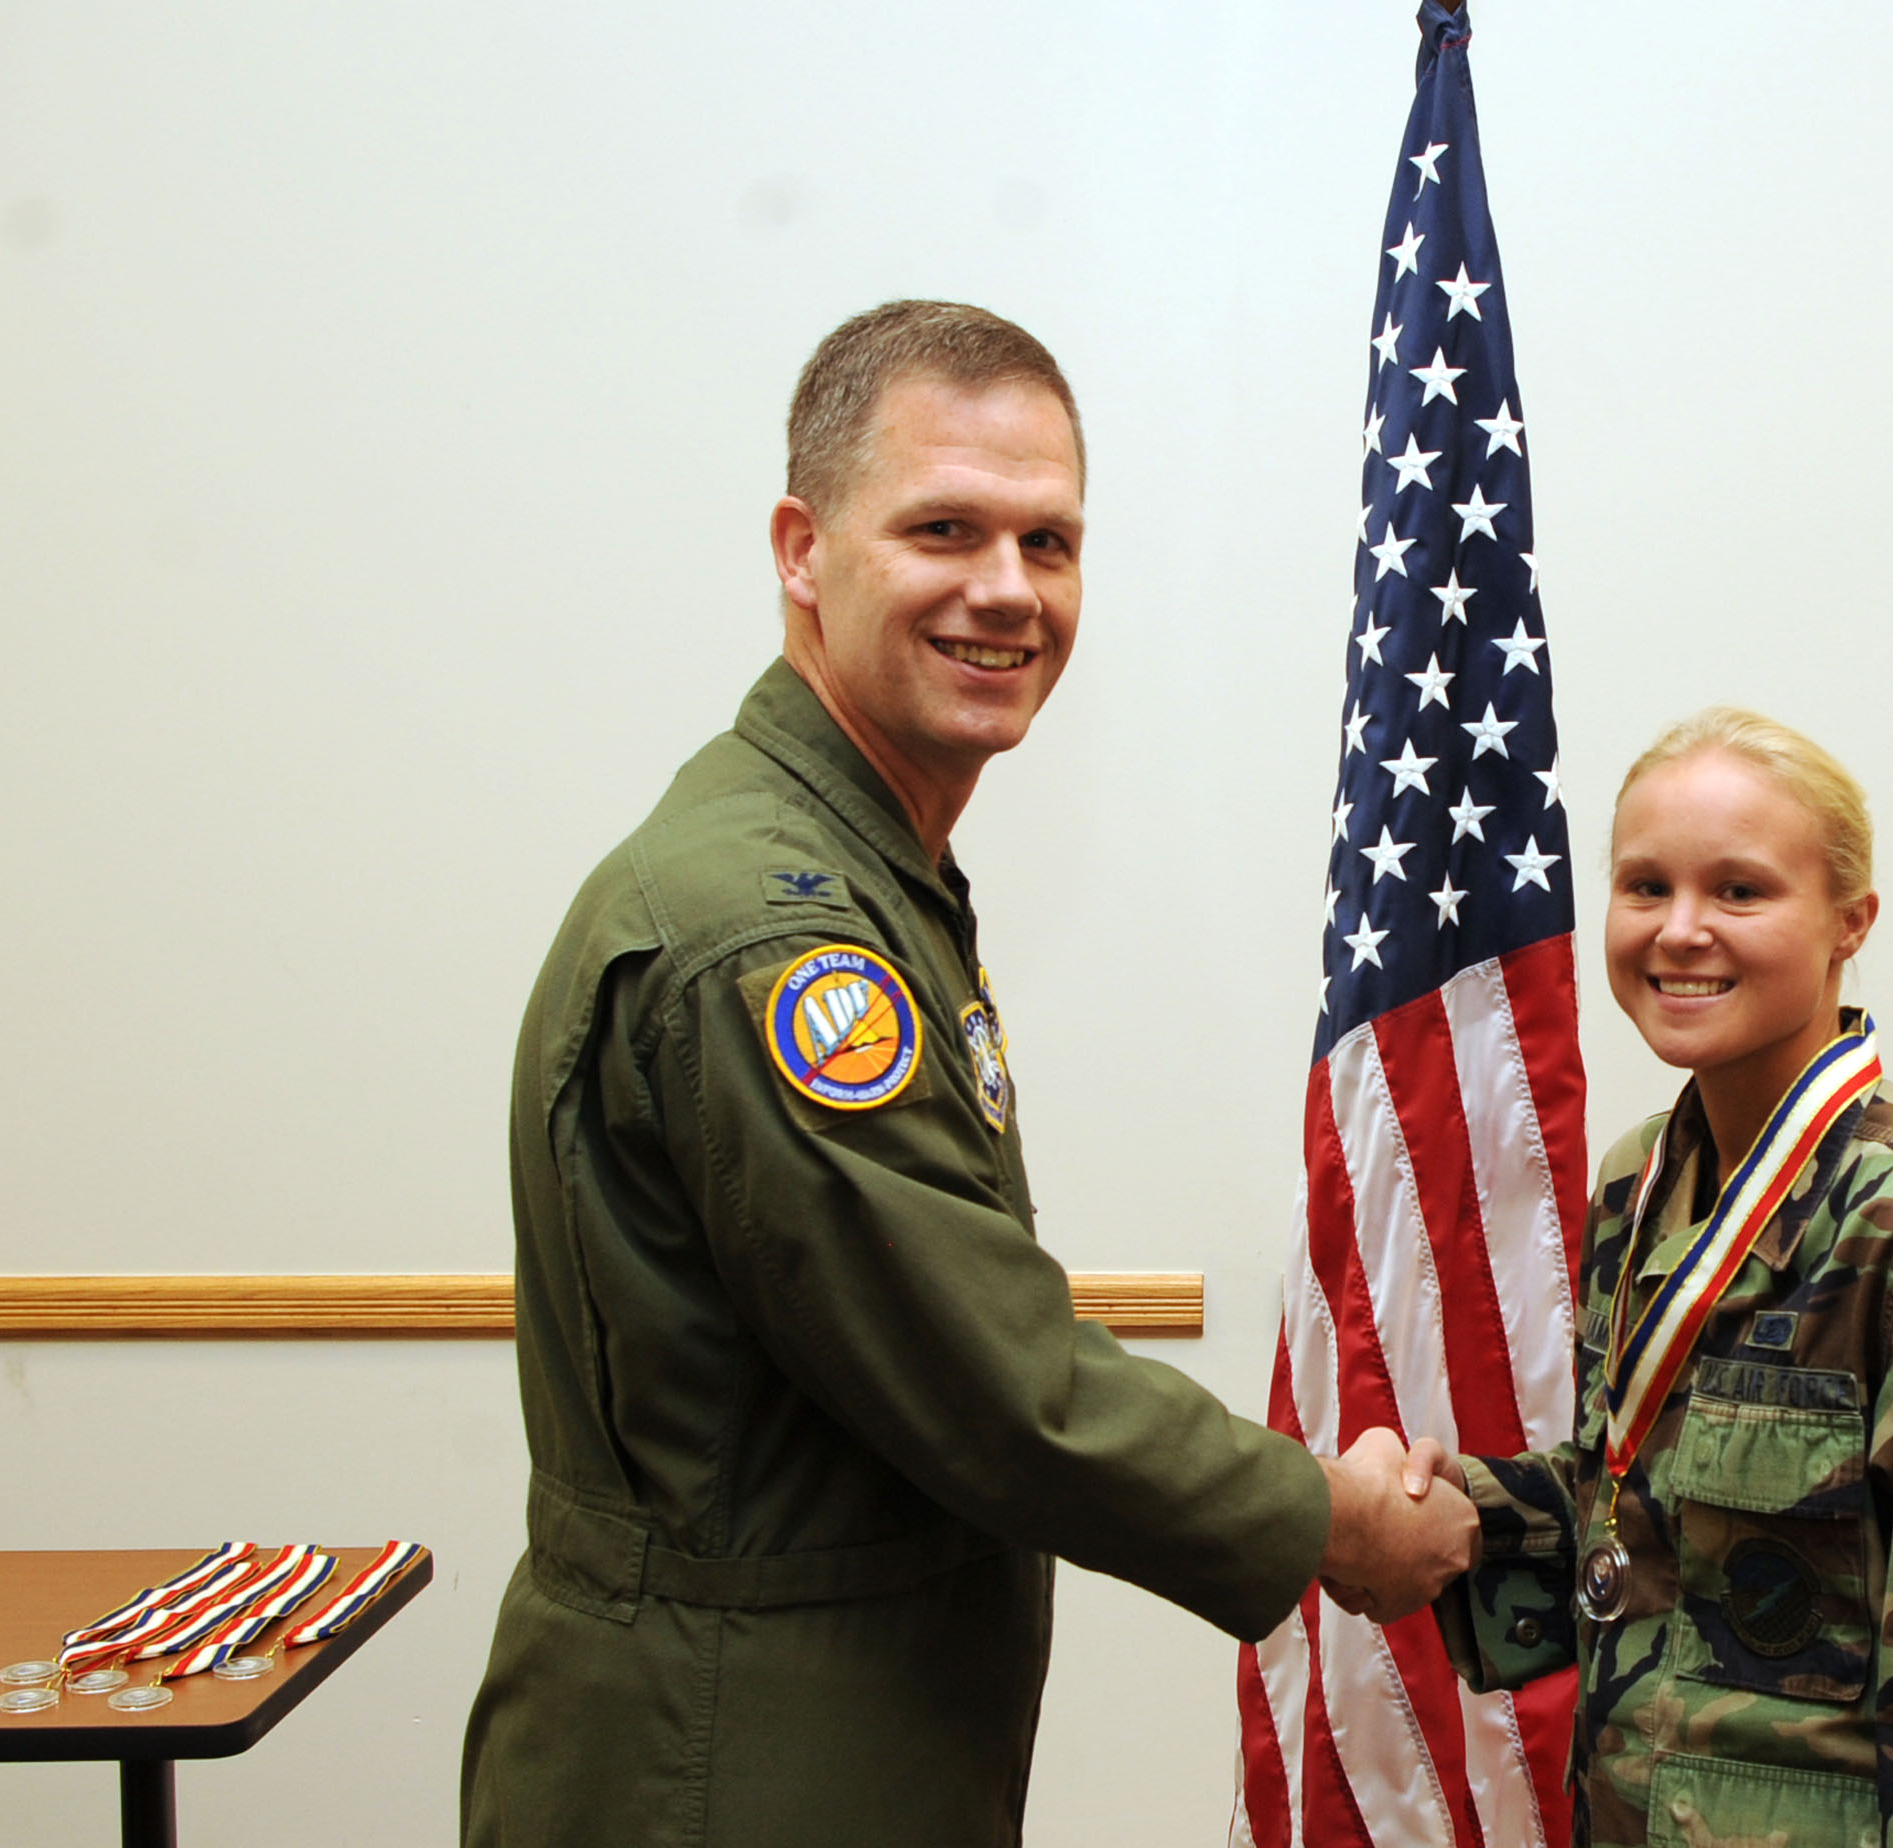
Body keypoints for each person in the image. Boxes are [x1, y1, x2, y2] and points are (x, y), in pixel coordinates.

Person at [460, 300, 1474, 1847]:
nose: (1007, 592)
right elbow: (992, 1379)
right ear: (803, 548)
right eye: (944, 529)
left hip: (818, 1727)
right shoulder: (770, 939)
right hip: (732, 1762)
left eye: (1049, 544)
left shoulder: (856, 865)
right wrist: (1318, 1517)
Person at [1430, 708, 1893, 1847]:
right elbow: (1657, 1527)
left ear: (1849, 922)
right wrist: (1447, 1522)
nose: (1681, 931)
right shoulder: (1642, 1181)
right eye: (1645, 886)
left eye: (1741, 892)